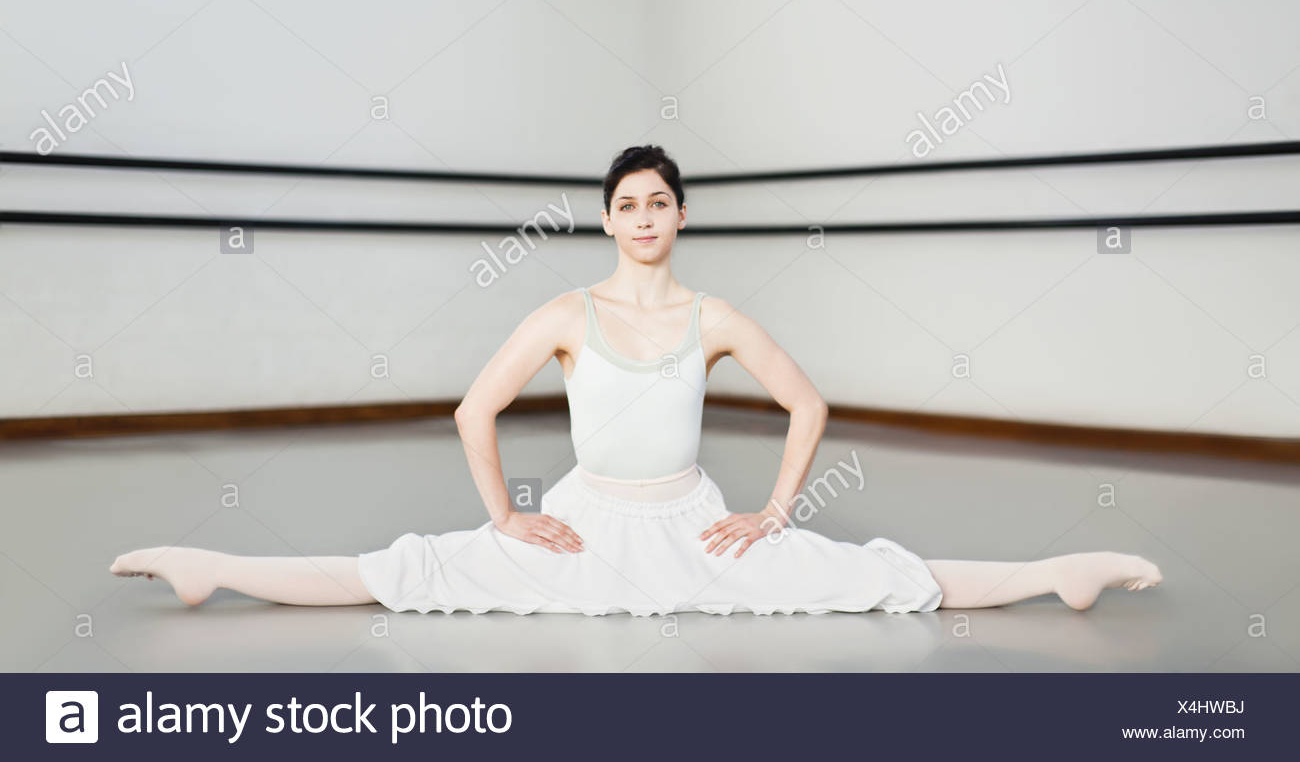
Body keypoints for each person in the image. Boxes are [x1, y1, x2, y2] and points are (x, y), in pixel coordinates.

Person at [110, 145, 1162, 614]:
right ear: (607, 218)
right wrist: (505, 515)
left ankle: (1055, 571)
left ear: (680, 215)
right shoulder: (568, 312)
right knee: (414, 567)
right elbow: (473, 409)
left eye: (661, 200)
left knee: (867, 574)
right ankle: (211, 565)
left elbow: (810, 401)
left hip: (694, 521)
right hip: (578, 522)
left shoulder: (715, 317)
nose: (645, 216)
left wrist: (776, 510)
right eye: (628, 202)